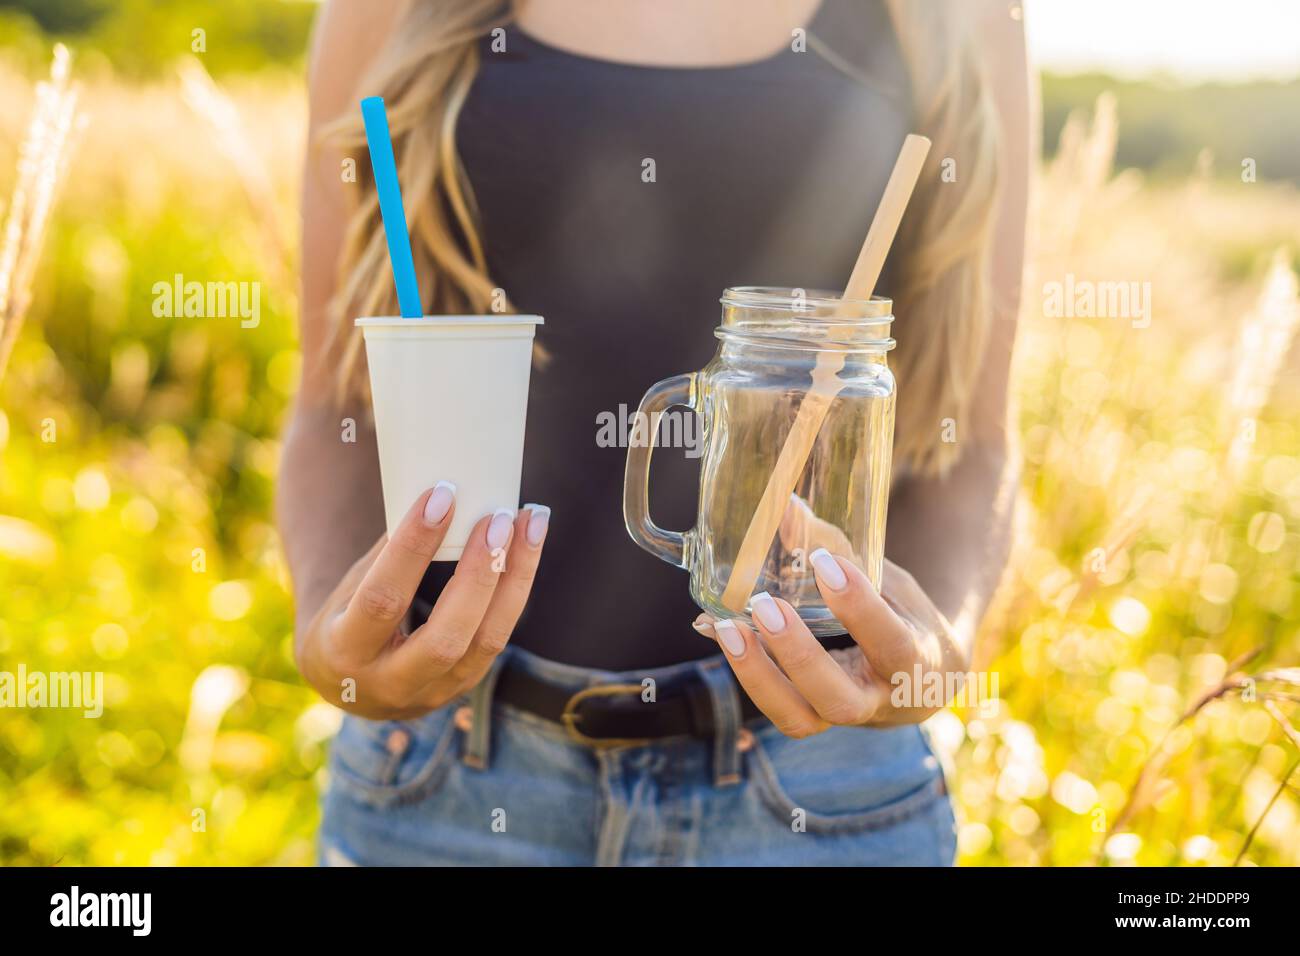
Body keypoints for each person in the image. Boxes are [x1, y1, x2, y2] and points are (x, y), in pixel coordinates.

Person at [278, 0, 1032, 866]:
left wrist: (935, 652)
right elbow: (333, 405)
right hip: (445, 778)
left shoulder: (965, 14)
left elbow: (972, 442)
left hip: (823, 788)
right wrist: (328, 636)